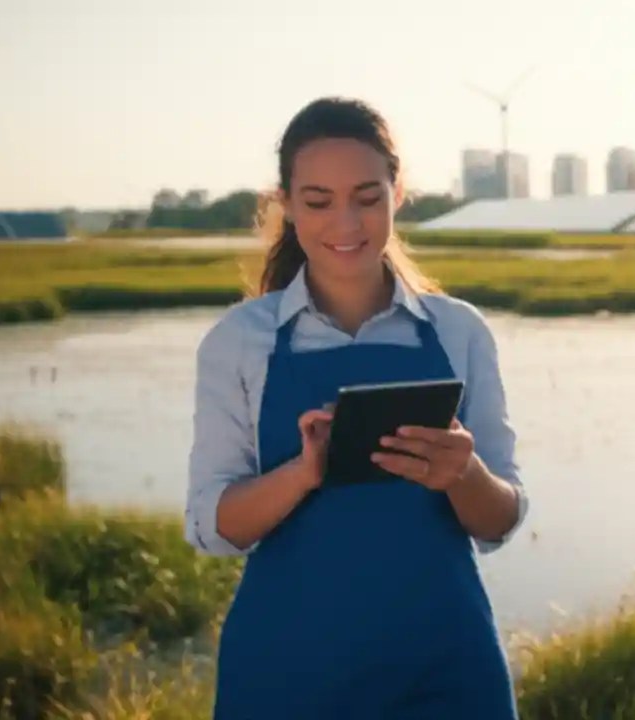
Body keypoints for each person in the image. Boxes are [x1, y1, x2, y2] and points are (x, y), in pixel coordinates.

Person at [183, 96, 529, 719]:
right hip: (288, 672)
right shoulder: (239, 342)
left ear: (398, 194)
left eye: (367, 197)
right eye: (318, 201)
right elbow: (212, 526)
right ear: (286, 203)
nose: (345, 223)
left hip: (446, 670)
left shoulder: (459, 333)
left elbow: (499, 520)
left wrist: (464, 474)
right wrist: (302, 474)